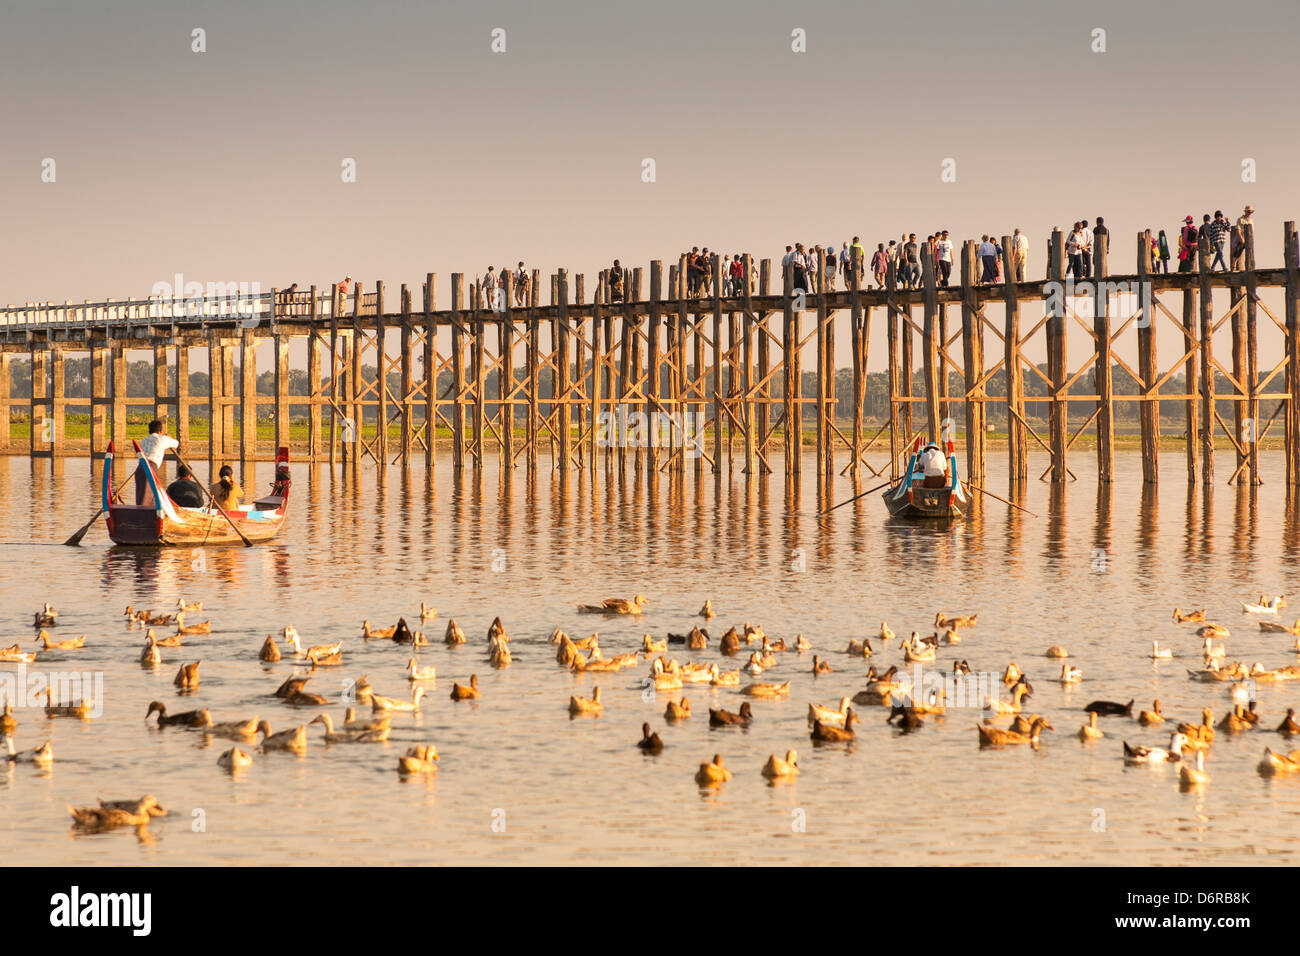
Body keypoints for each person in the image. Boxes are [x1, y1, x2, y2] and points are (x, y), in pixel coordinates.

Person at [136, 418, 179, 505]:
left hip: (140, 468)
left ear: (149, 431)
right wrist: (168, 437)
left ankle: (144, 510)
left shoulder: (144, 440)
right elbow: (176, 444)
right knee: (147, 497)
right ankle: (146, 512)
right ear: (160, 431)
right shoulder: (162, 438)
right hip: (150, 467)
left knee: (141, 496)